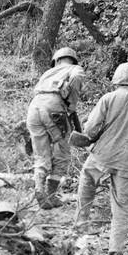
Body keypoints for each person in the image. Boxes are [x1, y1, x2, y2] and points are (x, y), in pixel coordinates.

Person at [72, 62, 128, 255]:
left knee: (86, 187)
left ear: (116, 80)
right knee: (122, 208)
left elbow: (91, 129)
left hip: (100, 158)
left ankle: (77, 235)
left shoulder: (108, 99)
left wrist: (89, 138)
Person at [26, 46, 85, 210]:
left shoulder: (47, 73)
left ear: (57, 60)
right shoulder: (75, 69)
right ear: (72, 60)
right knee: (62, 151)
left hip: (34, 107)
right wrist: (72, 105)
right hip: (55, 109)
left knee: (41, 154)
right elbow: (77, 78)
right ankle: (51, 194)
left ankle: (39, 188)